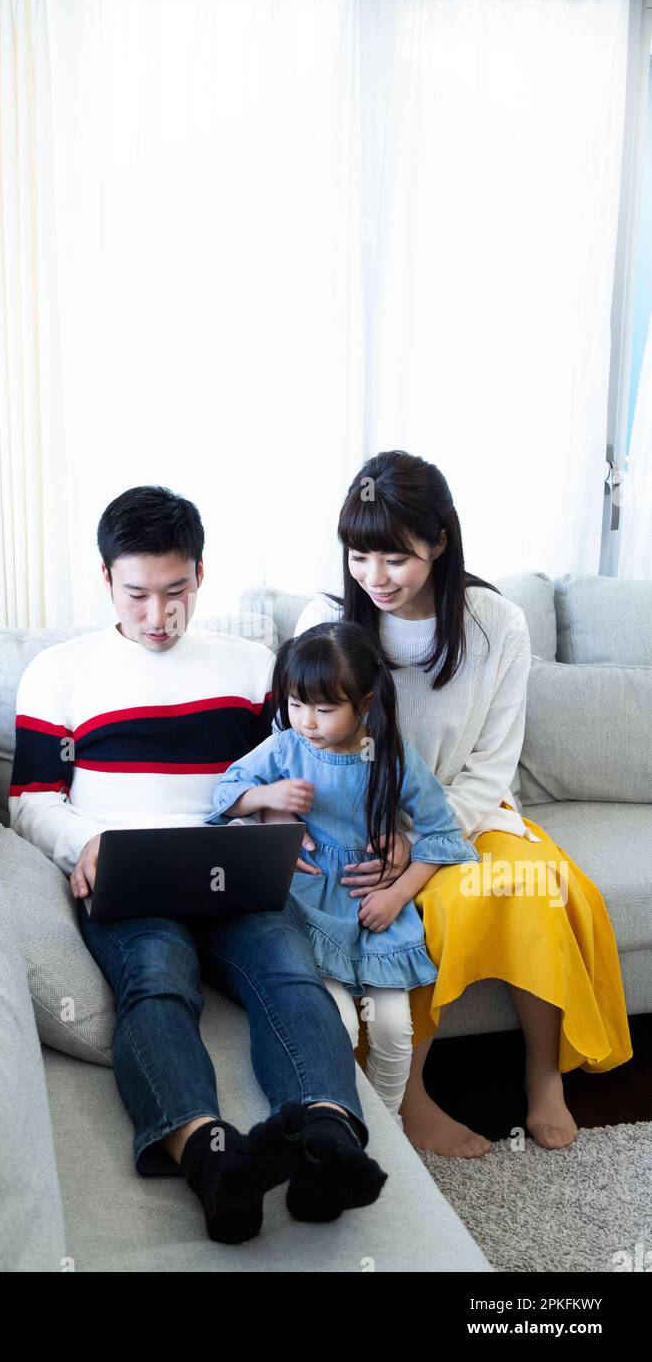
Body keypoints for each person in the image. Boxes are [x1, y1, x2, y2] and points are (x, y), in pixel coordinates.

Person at [8, 484, 387, 1245]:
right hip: (128, 864)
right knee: (154, 982)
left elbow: (295, 767)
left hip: (236, 863)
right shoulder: (60, 672)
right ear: (106, 579)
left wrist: (286, 821)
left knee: (288, 972)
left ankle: (329, 1138)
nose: (157, 616)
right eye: (138, 593)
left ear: (201, 575)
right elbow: (30, 797)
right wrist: (85, 843)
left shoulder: (255, 669)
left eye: (175, 591)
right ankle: (212, 1156)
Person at [294, 450, 633, 1157]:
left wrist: (419, 838)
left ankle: (545, 1077)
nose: (375, 579)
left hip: (469, 814)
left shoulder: (496, 623)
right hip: (361, 824)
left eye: (396, 558)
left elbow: (491, 767)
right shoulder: (324, 620)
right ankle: (410, 1095)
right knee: (432, 916)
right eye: (360, 557)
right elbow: (305, 742)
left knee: (535, 890)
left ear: (440, 540)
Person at [204, 620, 482, 1127]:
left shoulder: (393, 760)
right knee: (338, 1024)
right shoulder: (286, 748)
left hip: (375, 903)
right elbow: (226, 791)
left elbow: (442, 837)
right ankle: (351, 1127)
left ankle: (391, 1126)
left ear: (366, 703)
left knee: (396, 1027)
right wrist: (267, 798)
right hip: (309, 900)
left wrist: (398, 896)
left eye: (325, 708)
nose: (307, 720)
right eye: (295, 704)